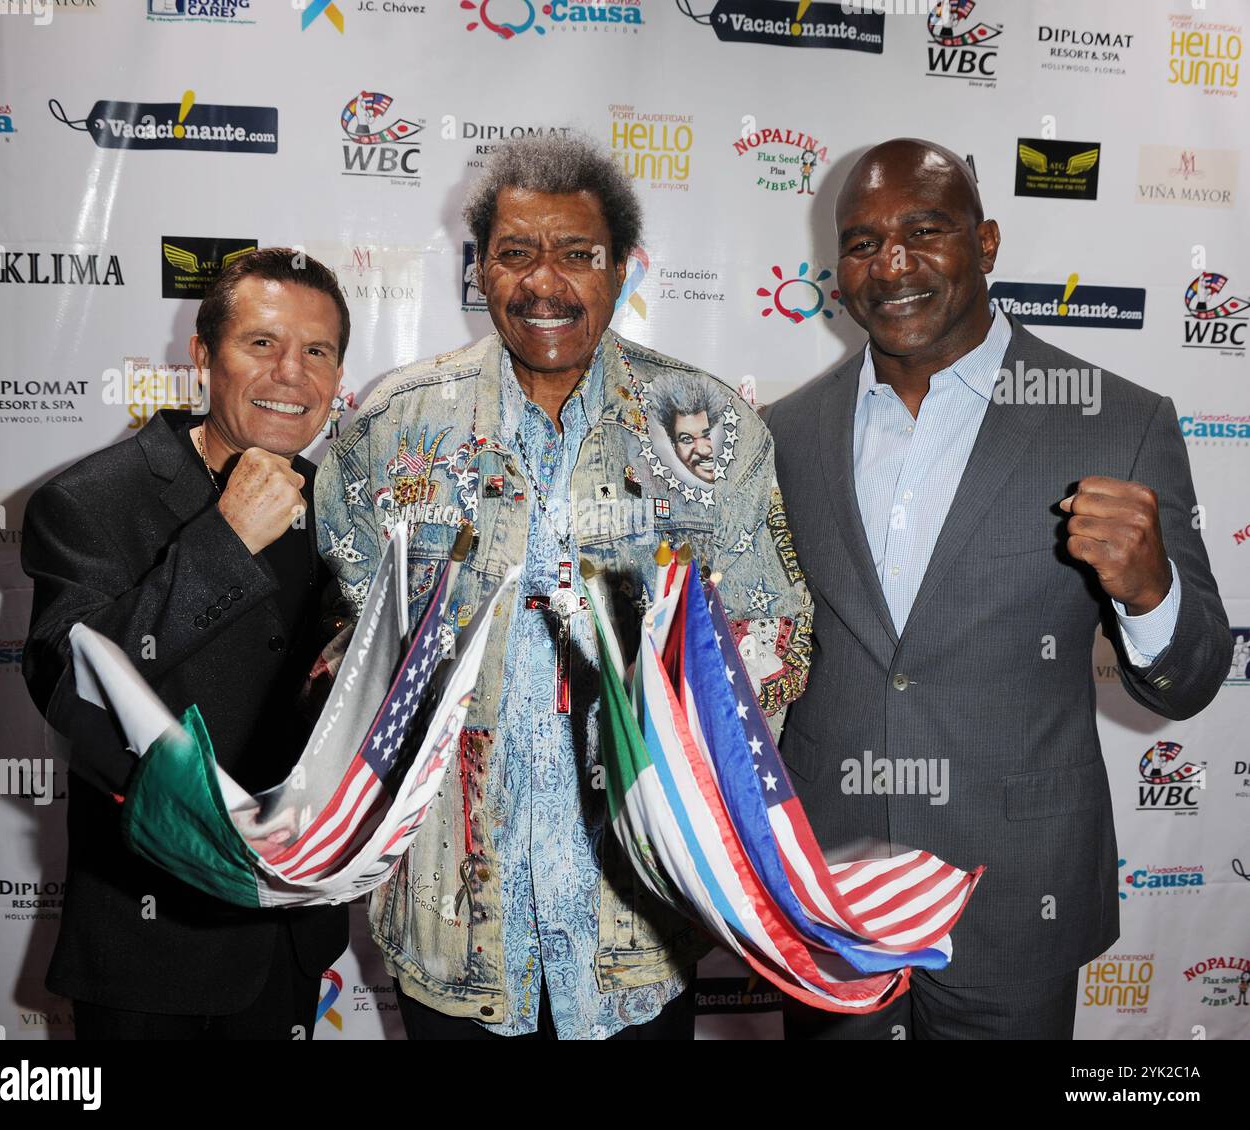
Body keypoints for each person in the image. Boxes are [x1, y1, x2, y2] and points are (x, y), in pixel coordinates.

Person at [316, 135, 811, 1040]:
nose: (546, 282)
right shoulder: (392, 427)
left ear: (623, 267)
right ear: (481, 270)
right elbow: (344, 640)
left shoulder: (703, 427)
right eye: (516, 253)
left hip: (638, 931)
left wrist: (685, 776)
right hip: (452, 936)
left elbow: (775, 633)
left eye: (579, 254)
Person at [767, 138, 1230, 1040]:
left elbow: (1195, 678)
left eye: (925, 230)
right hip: (831, 895)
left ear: (986, 242)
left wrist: (1149, 592)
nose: (892, 265)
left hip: (1019, 897)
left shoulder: (1119, 420)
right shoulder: (781, 435)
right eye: (862, 243)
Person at [21, 248, 352, 1039]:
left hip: (287, 941)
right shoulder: (91, 499)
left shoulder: (340, 506)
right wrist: (225, 539)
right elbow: (71, 684)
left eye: (317, 351)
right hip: (153, 953)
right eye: (262, 344)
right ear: (203, 357)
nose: (291, 375)